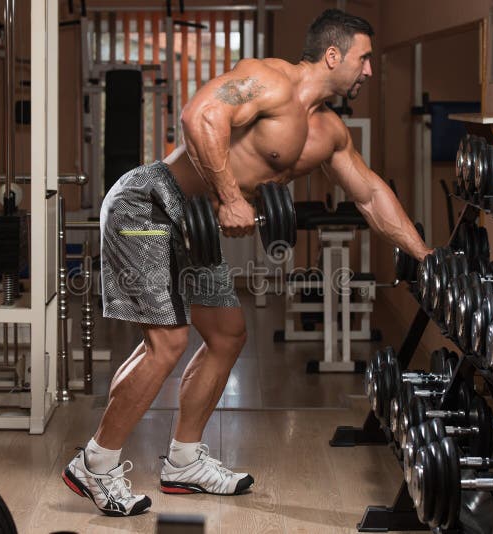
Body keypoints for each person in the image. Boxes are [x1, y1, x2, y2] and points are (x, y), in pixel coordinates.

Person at [62, 8, 432, 517]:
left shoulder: (328, 131)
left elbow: (369, 194)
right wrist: (232, 198)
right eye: (363, 59)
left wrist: (424, 255)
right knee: (167, 342)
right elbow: (200, 116)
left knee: (227, 335)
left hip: (195, 221)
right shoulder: (268, 79)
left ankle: (184, 461)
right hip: (148, 204)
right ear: (333, 54)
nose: (369, 71)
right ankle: (95, 463)